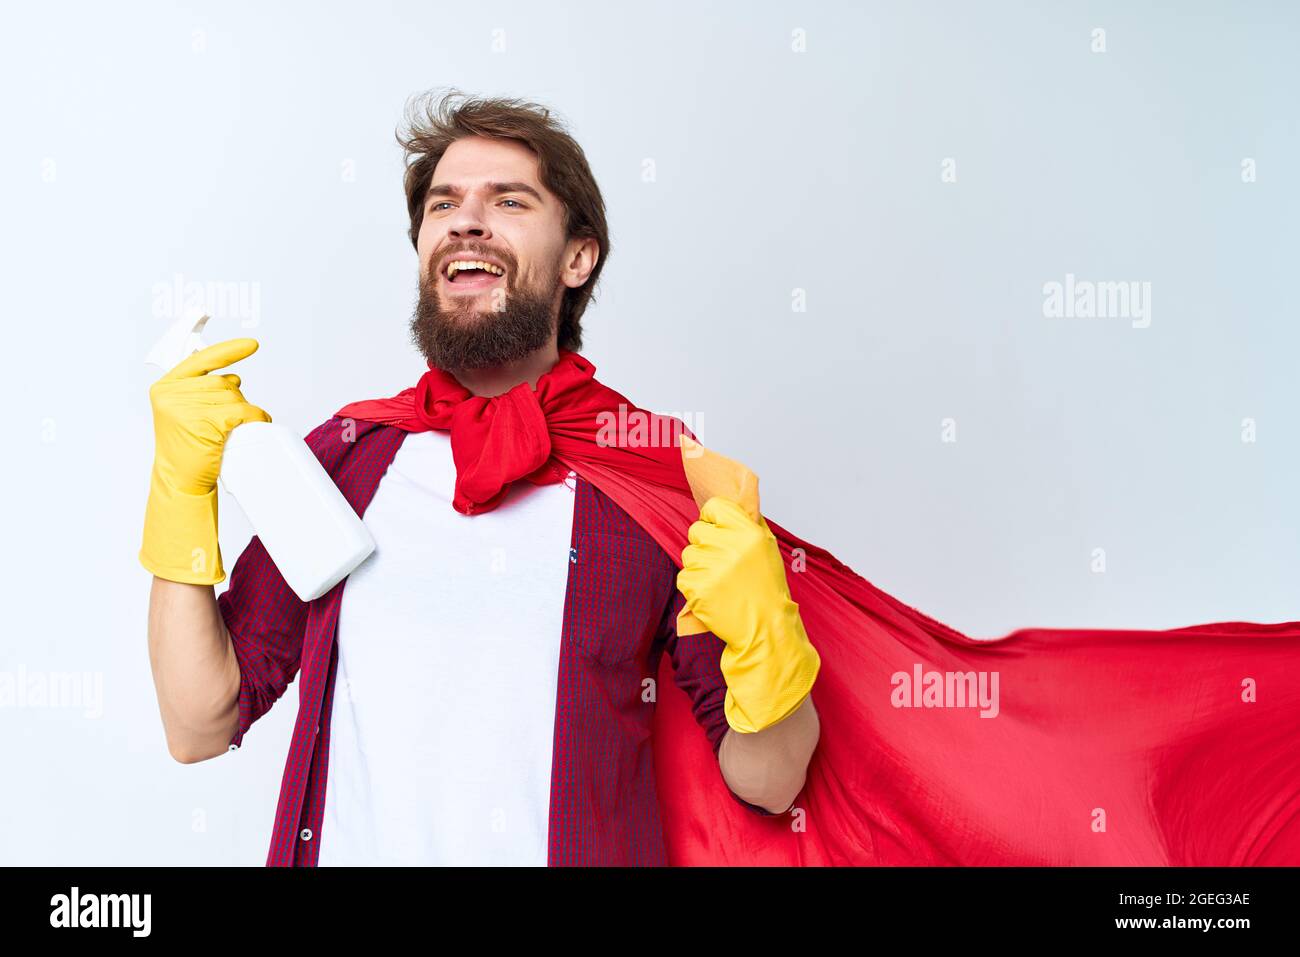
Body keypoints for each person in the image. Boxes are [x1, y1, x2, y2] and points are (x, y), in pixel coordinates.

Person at [140, 89, 821, 866]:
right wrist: (180, 496)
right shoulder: (352, 456)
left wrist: (770, 639)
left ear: (577, 257)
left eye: (508, 200)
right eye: (444, 204)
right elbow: (198, 723)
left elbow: (770, 780)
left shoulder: (659, 476)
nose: (466, 219)